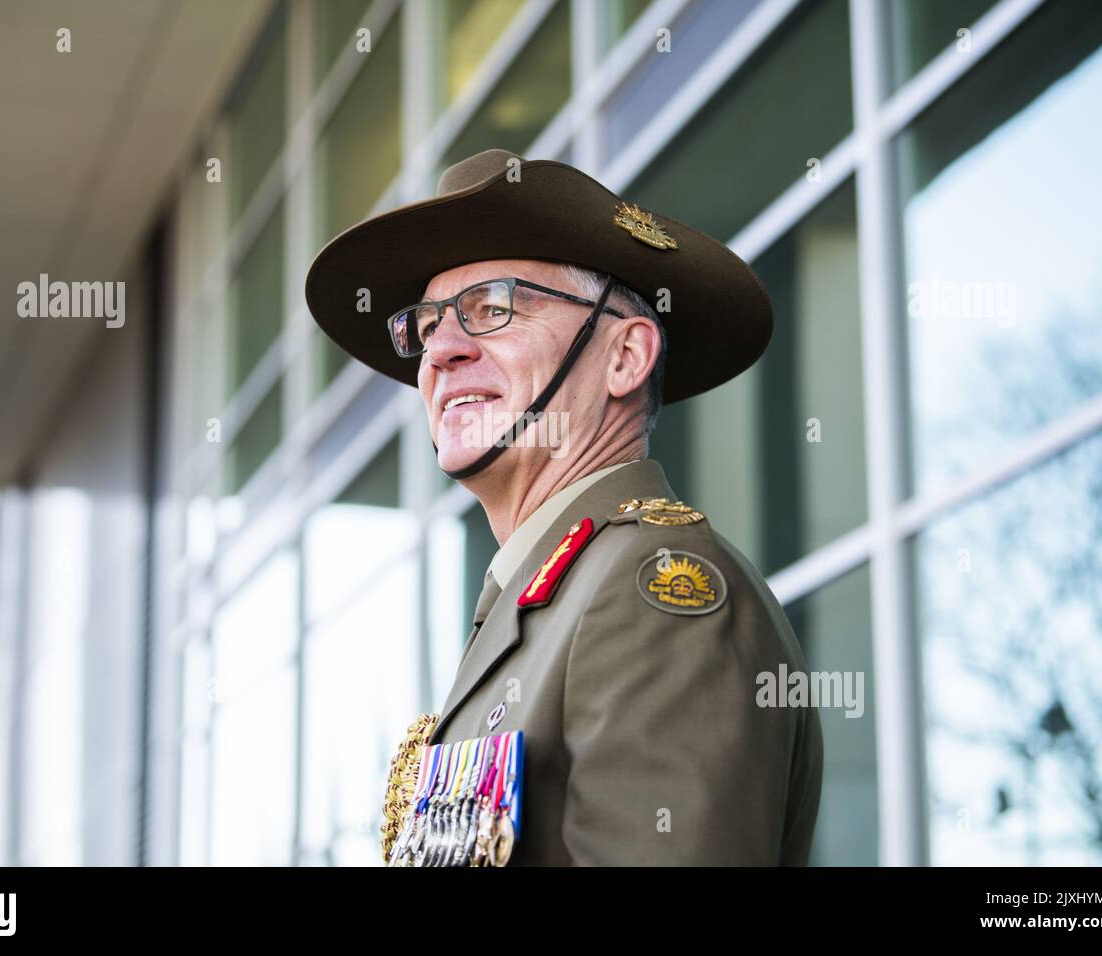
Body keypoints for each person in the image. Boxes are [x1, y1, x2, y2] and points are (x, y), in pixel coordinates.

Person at [305, 148, 822, 865]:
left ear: (624, 358)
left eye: (494, 308)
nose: (439, 352)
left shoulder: (653, 590)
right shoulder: (550, 597)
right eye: (427, 327)